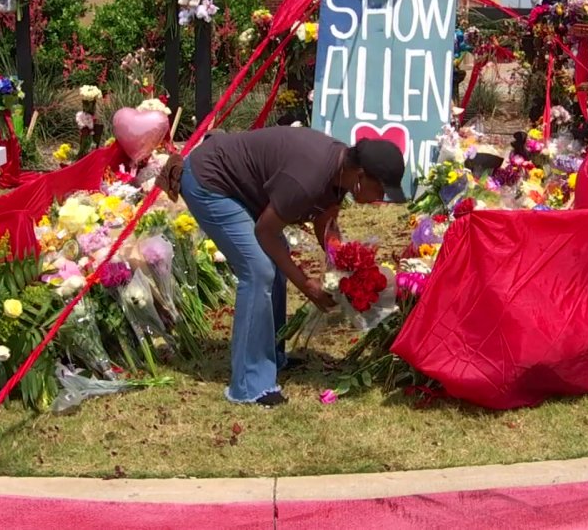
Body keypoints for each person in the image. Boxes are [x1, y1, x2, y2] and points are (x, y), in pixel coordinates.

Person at [159, 127, 406, 406]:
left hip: (243, 188)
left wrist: (346, 268)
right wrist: (308, 286)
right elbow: (265, 232)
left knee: (275, 260)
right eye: (381, 190)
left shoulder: (340, 169)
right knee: (258, 269)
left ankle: (271, 356)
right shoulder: (309, 177)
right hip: (210, 182)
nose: (380, 198)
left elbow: (325, 221)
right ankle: (249, 385)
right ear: (361, 176)